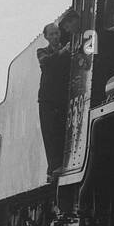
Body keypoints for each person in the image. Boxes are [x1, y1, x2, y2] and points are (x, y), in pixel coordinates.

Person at [37, 19, 72, 178]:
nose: (55, 36)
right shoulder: (42, 51)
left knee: (62, 131)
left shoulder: (68, 48)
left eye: (57, 33)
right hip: (48, 99)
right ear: (46, 37)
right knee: (50, 133)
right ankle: (53, 167)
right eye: (52, 34)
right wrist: (63, 52)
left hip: (64, 97)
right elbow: (46, 63)